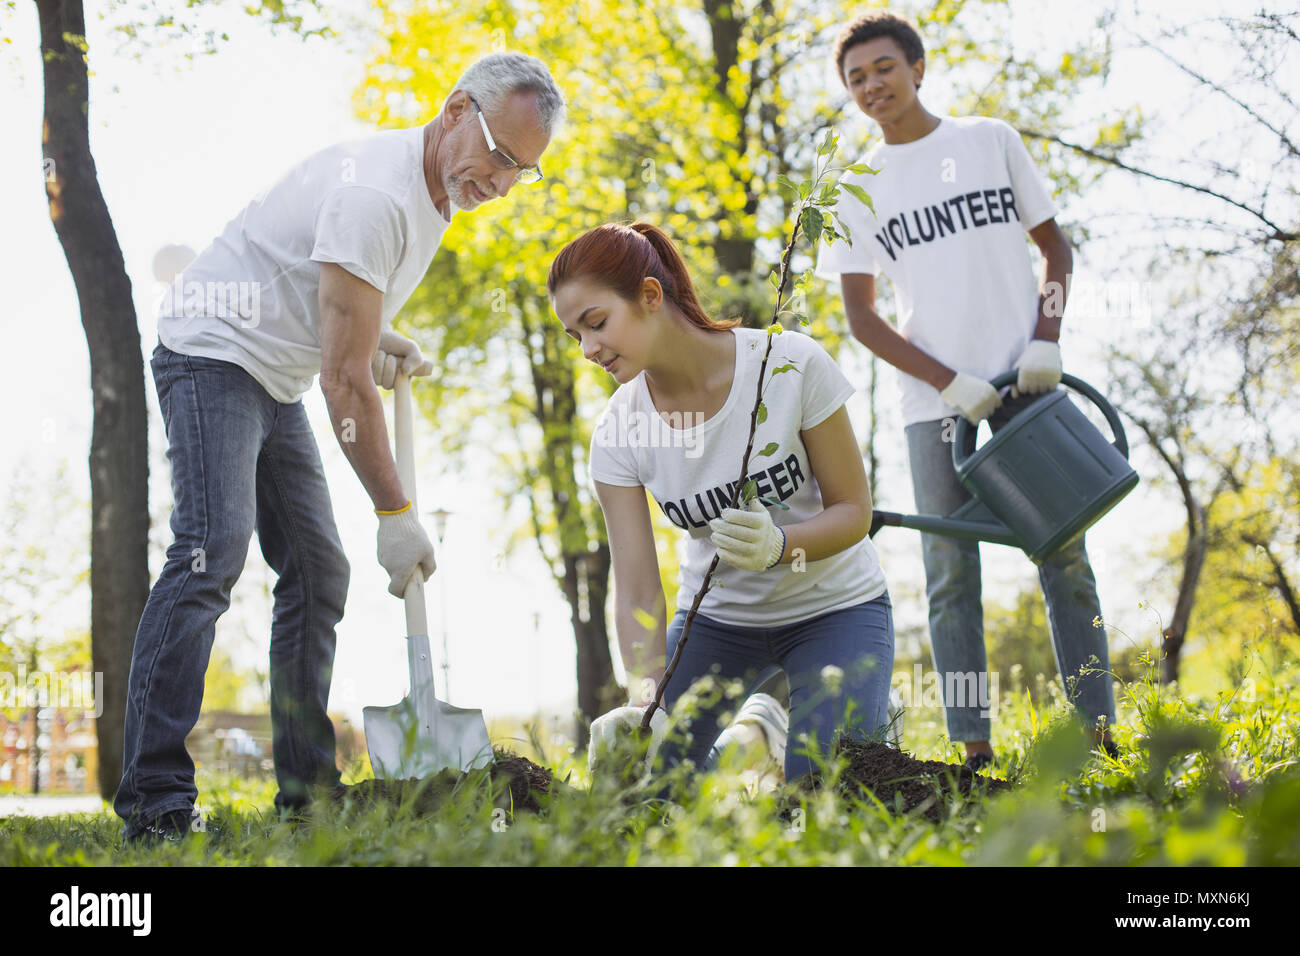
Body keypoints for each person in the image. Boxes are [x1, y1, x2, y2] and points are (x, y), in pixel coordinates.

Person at [114, 53, 565, 844]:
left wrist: (376, 332)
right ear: (457, 108)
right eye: (499, 155)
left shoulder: (435, 197)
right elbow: (346, 385)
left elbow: (330, 302)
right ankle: (153, 801)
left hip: (275, 371)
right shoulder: (376, 194)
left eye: (521, 172)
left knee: (319, 572)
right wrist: (394, 511)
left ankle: (307, 794)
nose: (500, 183)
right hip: (213, 352)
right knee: (210, 550)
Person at [815, 11, 1117, 771]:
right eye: (855, 79)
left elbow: (1055, 247)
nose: (871, 85)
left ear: (917, 67)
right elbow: (860, 316)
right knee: (951, 577)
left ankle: (1100, 732)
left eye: (882, 67)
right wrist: (950, 382)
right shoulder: (857, 187)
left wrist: (1045, 339)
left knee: (1065, 556)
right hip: (935, 405)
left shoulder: (988, 140)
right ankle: (972, 747)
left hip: (1031, 387)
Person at [549, 221, 895, 784]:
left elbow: (855, 510)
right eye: (575, 336)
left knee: (827, 789)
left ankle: (788, 738)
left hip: (835, 608)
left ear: (650, 296)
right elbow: (637, 587)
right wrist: (646, 703)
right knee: (649, 785)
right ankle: (750, 742)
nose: (588, 350)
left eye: (596, 324)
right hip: (716, 623)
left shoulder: (789, 367)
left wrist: (782, 546)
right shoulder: (619, 432)